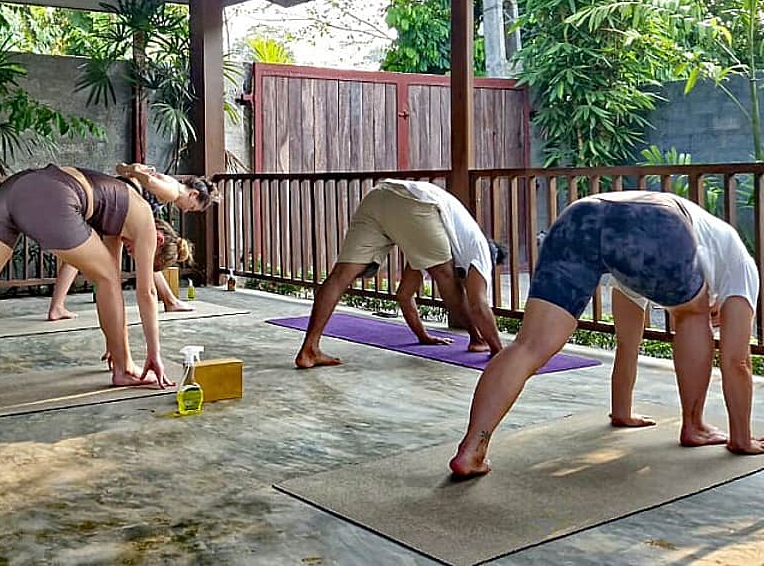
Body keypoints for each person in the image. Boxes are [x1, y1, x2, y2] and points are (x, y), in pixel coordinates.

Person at [451, 191, 764, 478]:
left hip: (580, 217)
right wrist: (741, 437)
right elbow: (737, 361)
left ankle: (471, 451)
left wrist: (623, 413)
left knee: (529, 345)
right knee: (692, 315)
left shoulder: (656, 268)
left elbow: (628, 343)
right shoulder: (741, 264)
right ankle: (694, 426)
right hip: (656, 224)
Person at [0, 165, 192, 410]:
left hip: (14, 190)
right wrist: (153, 353)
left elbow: (108, 288)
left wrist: (113, 343)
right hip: (55, 194)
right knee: (108, 277)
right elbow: (147, 292)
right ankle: (125, 370)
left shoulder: (118, 219)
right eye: (137, 254)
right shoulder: (144, 221)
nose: (132, 254)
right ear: (160, 240)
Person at [295, 178, 506, 370]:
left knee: (340, 276)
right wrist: (495, 348)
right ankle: (477, 338)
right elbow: (478, 304)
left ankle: (309, 350)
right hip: (416, 202)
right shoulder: (481, 249)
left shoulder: (435, 243)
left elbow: (404, 295)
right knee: (446, 276)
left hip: (379, 196)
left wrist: (423, 336)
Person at [46, 162, 219, 320]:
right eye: (192, 207)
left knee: (79, 254)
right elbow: (149, 182)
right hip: (122, 207)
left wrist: (132, 170)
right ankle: (131, 311)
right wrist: (137, 172)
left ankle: (57, 306)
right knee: (121, 265)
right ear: (193, 194)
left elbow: (121, 168)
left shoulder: (168, 180)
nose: (187, 211)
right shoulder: (173, 191)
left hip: (115, 199)